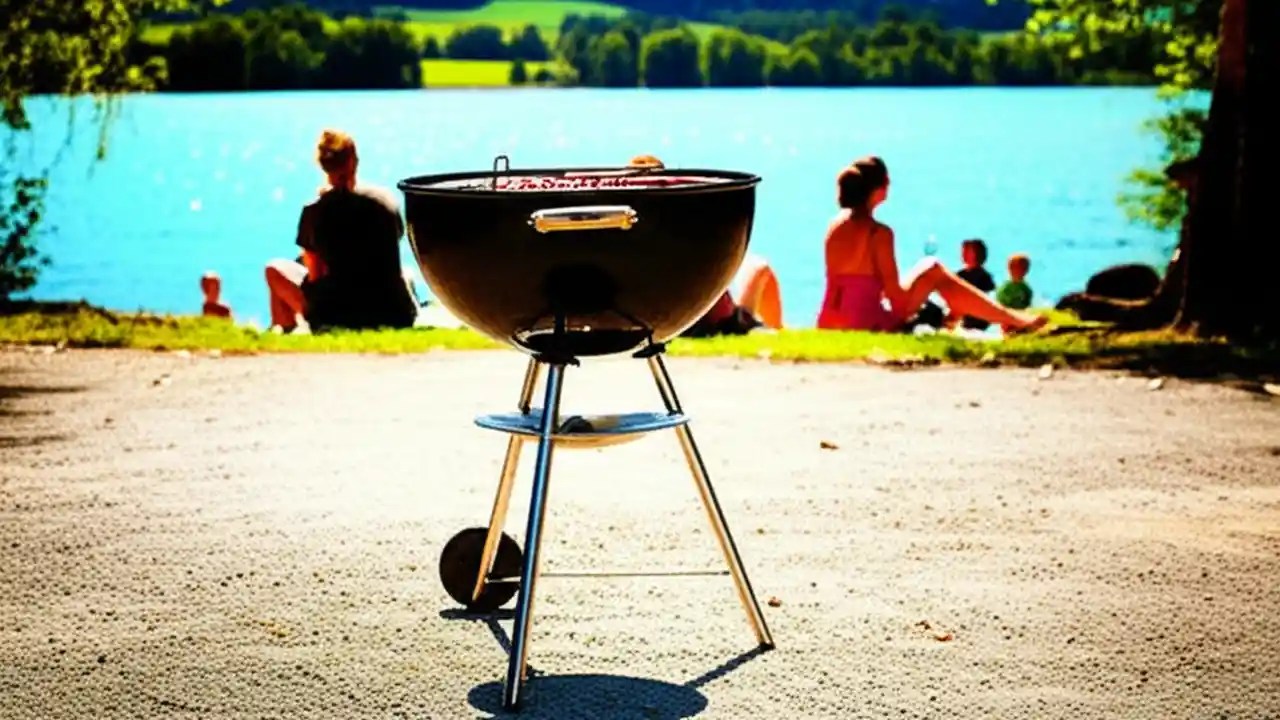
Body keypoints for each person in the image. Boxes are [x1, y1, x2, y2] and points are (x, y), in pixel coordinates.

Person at [816, 156, 1046, 334]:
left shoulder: (835, 225)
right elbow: (896, 299)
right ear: (879, 188)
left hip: (829, 321)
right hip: (865, 323)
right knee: (933, 269)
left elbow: (855, 285)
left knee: (931, 271)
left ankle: (994, 316)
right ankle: (1012, 320)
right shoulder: (878, 233)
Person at [264, 129, 417, 333]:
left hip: (338, 316)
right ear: (354, 161)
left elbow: (315, 275)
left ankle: (285, 330)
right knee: (405, 274)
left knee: (274, 269)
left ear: (322, 166)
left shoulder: (315, 210)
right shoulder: (385, 201)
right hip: (396, 313)